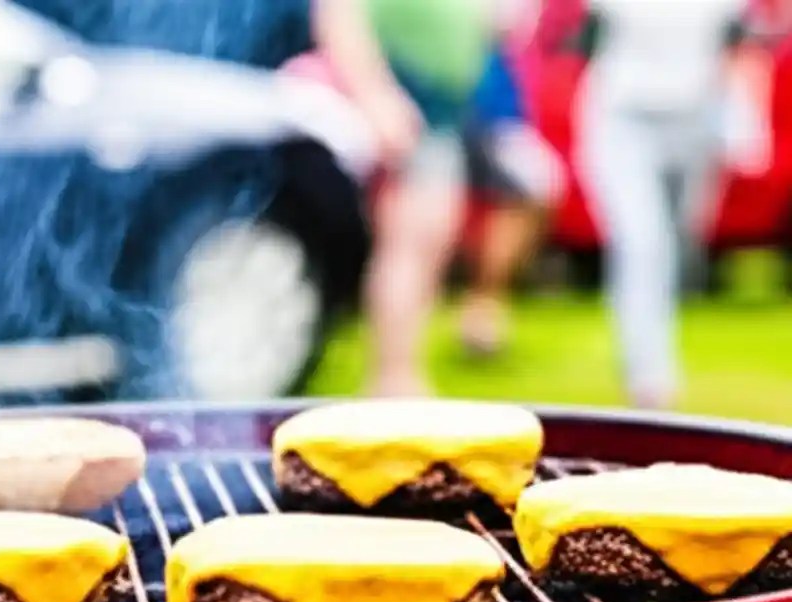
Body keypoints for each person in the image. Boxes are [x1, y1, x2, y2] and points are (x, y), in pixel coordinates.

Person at [311, 0, 525, 397]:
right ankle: (391, 379)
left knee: (432, 239)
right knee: (409, 239)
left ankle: (404, 373)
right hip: (402, 96)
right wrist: (375, 95)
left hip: (444, 110)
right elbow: (338, 12)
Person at [574, 0, 773, 410]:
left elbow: (742, 46)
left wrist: (747, 124)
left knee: (680, 241)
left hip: (695, 120)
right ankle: (649, 376)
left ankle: (653, 350)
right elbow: (580, 40)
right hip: (624, 119)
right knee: (643, 243)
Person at [458, 43, 565, 355]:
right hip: (448, 110)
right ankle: (481, 305)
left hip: (500, 118)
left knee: (537, 183)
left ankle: (484, 303)